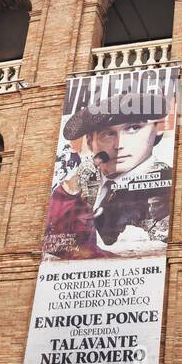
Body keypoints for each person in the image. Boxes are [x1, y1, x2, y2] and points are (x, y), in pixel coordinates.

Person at [44, 94, 172, 258]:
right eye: (108, 134)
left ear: (157, 130)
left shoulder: (165, 190)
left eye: (133, 128)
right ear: (90, 141)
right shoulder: (76, 188)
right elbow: (53, 239)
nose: (119, 145)